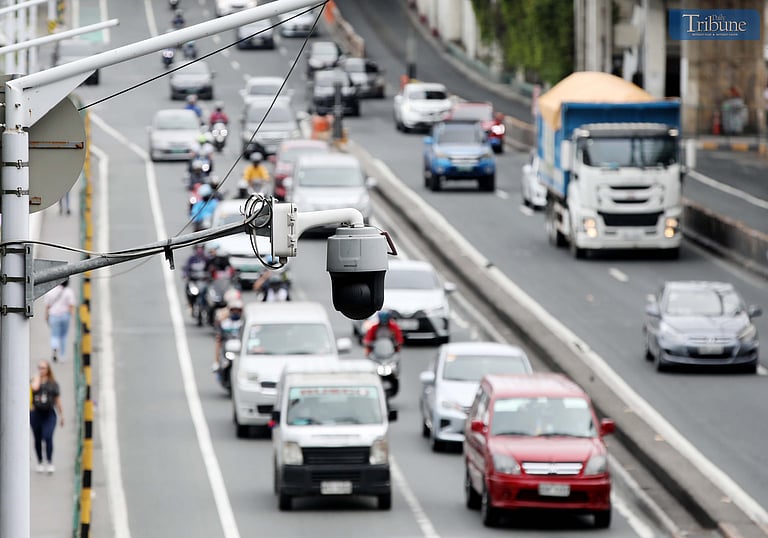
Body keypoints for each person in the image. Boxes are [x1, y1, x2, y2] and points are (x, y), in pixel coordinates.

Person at [30, 360, 64, 474]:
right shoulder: (35, 381)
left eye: (43, 368)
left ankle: (49, 461)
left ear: (48, 369)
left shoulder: (53, 384)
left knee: (47, 436)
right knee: (37, 438)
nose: (41, 370)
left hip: (49, 414)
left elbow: (57, 400)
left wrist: (62, 415)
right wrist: (37, 378)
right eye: (39, 367)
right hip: (36, 414)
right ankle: (40, 461)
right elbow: (33, 389)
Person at [44, 278, 76, 362]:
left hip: (53, 315)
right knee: (63, 336)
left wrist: (46, 316)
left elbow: (47, 306)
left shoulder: (51, 291)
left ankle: (55, 347)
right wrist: (74, 318)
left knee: (54, 335)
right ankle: (62, 356)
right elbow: (71, 306)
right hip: (65, 316)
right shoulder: (69, 291)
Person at [212, 298, 244, 372]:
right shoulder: (224, 323)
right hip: (227, 350)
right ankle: (217, 363)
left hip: (240, 349)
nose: (235, 312)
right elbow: (219, 338)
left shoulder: (243, 323)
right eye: (234, 310)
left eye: (238, 310)